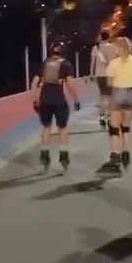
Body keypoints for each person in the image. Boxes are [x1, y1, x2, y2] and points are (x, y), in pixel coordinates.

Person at [31, 44, 80, 172]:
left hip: (44, 99)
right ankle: (63, 156)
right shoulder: (66, 64)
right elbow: (70, 84)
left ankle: (44, 154)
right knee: (62, 128)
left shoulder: (44, 64)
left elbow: (34, 83)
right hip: (59, 100)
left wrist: (35, 101)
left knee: (46, 127)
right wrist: (76, 99)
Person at [96, 36, 132, 175]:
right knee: (126, 127)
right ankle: (126, 154)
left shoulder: (113, 63)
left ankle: (115, 156)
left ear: (119, 47)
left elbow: (109, 83)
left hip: (118, 92)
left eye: (115, 47)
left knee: (114, 128)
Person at [90, 29, 118, 129]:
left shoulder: (95, 48)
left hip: (99, 75)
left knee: (102, 96)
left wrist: (91, 74)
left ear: (101, 37)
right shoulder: (112, 47)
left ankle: (101, 116)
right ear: (109, 36)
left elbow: (92, 62)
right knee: (109, 97)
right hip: (109, 74)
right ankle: (108, 117)